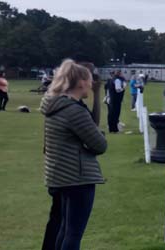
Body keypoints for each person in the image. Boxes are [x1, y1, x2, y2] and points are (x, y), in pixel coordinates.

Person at [40, 59, 108, 250]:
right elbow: (100, 145)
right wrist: (97, 136)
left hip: (61, 175)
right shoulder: (74, 111)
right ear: (80, 82)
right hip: (78, 178)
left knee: (64, 229)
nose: (90, 83)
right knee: (73, 233)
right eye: (88, 80)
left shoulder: (55, 105)